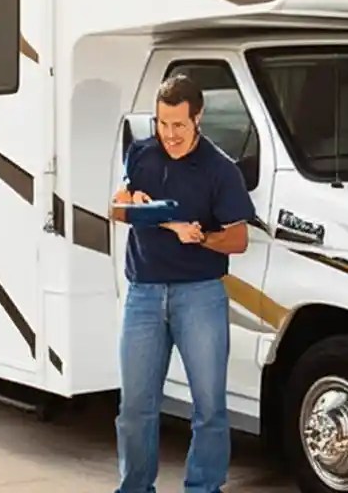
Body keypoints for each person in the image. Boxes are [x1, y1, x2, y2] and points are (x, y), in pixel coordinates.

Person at [110, 73, 256, 493]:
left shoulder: (220, 170)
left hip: (200, 295)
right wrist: (130, 203)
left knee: (208, 408)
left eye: (179, 125)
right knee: (135, 408)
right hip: (144, 295)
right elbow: (115, 209)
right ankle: (135, 488)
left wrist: (202, 236)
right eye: (162, 123)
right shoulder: (141, 154)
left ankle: (203, 488)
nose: (169, 135)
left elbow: (239, 238)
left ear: (198, 118)